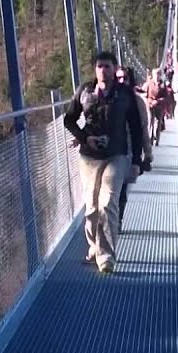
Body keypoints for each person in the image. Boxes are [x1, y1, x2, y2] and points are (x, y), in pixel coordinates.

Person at [62, 52, 146, 274]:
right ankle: (94, 248)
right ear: (94, 69)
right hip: (89, 157)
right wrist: (84, 137)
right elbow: (68, 119)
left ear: (114, 68)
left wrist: (137, 160)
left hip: (116, 155)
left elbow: (137, 129)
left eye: (107, 66)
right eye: (99, 66)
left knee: (108, 202)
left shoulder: (125, 94)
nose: (103, 70)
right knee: (91, 207)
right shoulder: (84, 92)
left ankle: (106, 257)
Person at [115, 66, 153, 225]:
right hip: (109, 152)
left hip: (128, 152)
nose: (122, 81)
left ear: (131, 80)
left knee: (121, 189)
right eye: (118, 78)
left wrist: (147, 153)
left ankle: (118, 220)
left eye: (125, 78)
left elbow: (143, 129)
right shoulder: (107, 98)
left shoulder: (138, 101)